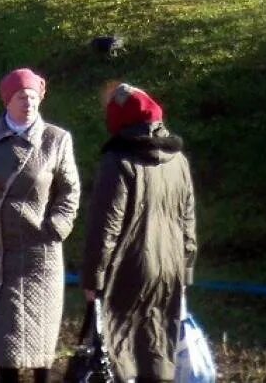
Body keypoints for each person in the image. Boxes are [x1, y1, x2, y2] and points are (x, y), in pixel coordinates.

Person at [0, 67, 82, 383]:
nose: (28, 102)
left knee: (40, 334)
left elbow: (70, 189)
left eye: (32, 96)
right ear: (6, 101)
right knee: (4, 334)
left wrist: (57, 226)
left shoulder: (56, 139)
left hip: (38, 252)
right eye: (20, 97)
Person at [80, 83, 198, 383]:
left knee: (118, 348)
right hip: (169, 268)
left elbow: (106, 226)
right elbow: (188, 220)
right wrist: (186, 269)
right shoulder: (179, 160)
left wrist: (93, 278)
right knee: (157, 343)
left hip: (128, 269)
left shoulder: (117, 162)